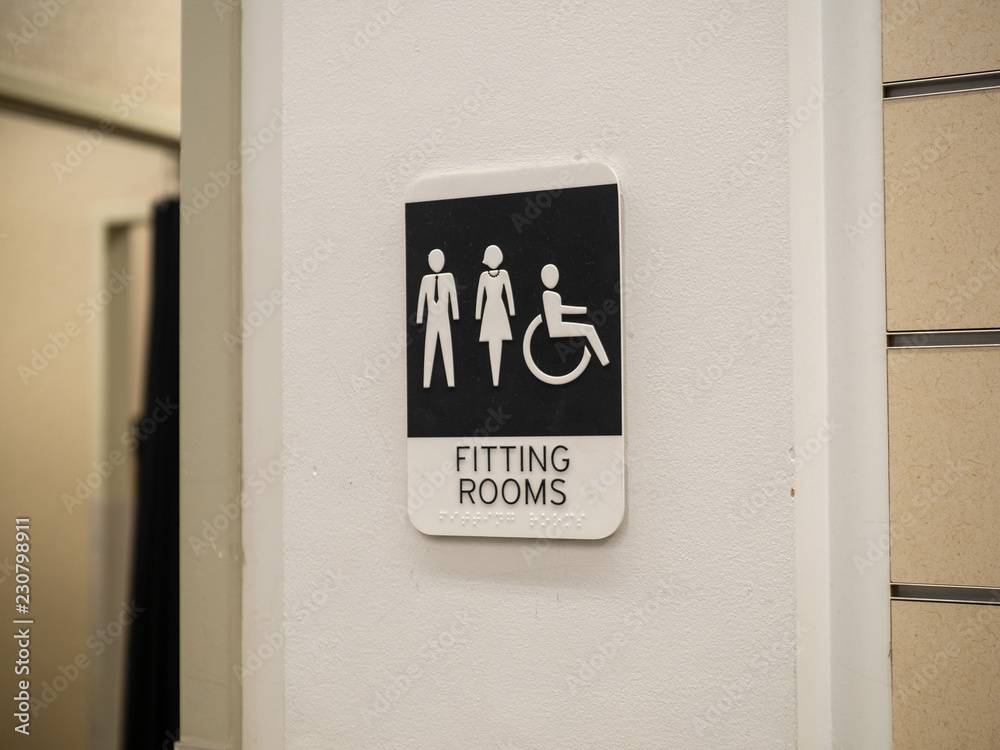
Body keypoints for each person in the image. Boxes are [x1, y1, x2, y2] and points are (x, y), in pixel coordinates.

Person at [540, 263, 609, 366]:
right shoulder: (549, 295)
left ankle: (604, 361)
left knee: (589, 329)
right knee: (589, 330)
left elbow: (559, 309)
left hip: (558, 326)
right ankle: (604, 361)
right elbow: (560, 310)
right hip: (557, 328)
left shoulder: (551, 295)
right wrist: (582, 310)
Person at [416, 248, 459, 387]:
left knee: (447, 348)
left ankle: (451, 381)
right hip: (431, 320)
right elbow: (421, 299)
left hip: (444, 318)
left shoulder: (448, 278)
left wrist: (455, 314)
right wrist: (419, 318)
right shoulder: (426, 280)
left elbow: (453, 296)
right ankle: (426, 381)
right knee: (429, 348)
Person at [474, 244, 515, 386]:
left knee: (498, 339)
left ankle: (496, 378)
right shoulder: (483, 276)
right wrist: (478, 314)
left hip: (499, 309)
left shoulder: (504, 274)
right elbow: (480, 295)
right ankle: (494, 378)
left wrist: (512, 311)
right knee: (491, 339)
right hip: (489, 311)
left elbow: (508, 293)